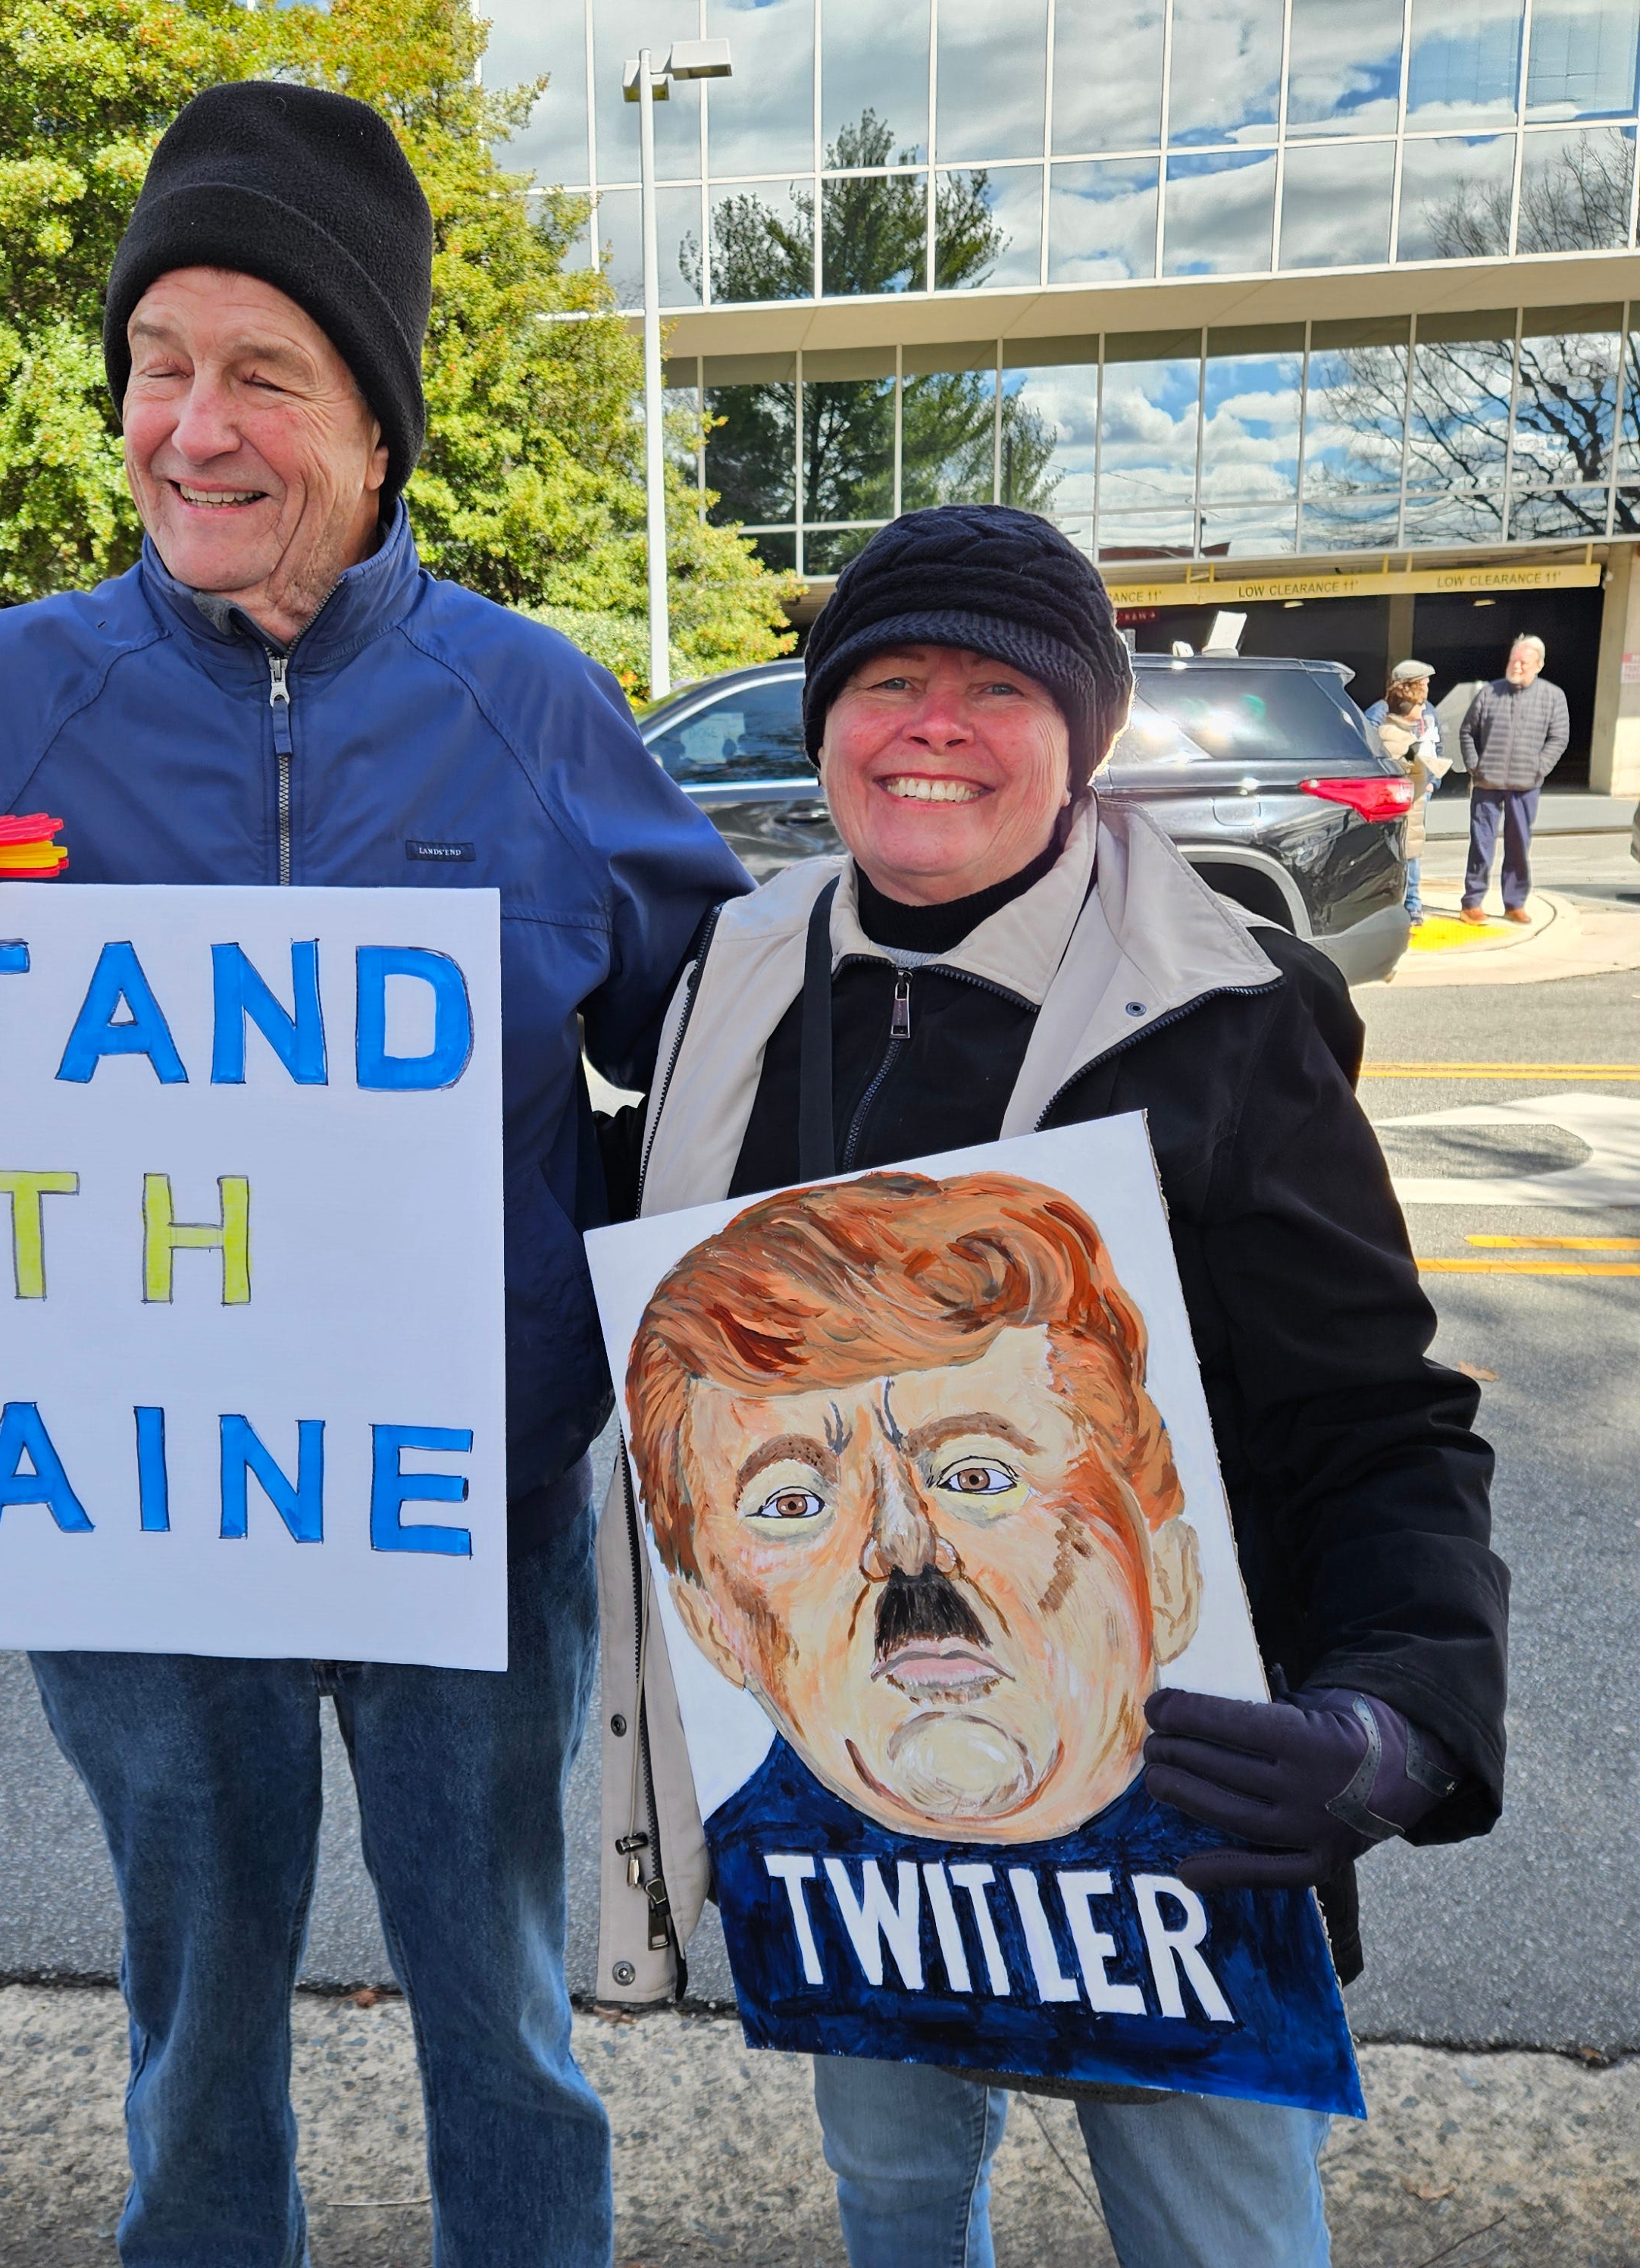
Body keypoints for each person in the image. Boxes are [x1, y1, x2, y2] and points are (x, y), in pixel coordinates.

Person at [0, 79, 747, 2268]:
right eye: (157, 365)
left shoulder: (533, 708)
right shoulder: (10, 693)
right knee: (198, 2016)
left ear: (377, 429)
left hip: (462, 1523)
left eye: (263, 377)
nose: (192, 428)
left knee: (504, 2001)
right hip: (137, 1522)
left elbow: (725, 1060)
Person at [596, 504, 1507, 2268]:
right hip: (851, 1803)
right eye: (890, 678)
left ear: (1082, 737)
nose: (933, 724)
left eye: (998, 685)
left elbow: (1375, 1422)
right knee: (896, 2200)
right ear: (824, 718)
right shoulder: (731, 978)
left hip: (1180, 1817)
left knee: (1218, 2236)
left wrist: (1396, 1718)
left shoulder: (1226, 1015)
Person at [626, 1168, 1203, 1848]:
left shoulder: (1262, 1865)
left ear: (1167, 1577)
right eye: (793, 1502)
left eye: (979, 1478)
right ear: (711, 1623)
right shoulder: (763, 1896)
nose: (903, 1545)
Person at [1459, 634, 1566, 925]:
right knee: (1481, 843)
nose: (1516, 666)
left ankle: (1514, 903)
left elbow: (1559, 738)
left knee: (1519, 845)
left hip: (1525, 785)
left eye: (1524, 662)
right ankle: (1472, 903)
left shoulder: (1553, 696)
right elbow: (1467, 731)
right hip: (1487, 783)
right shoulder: (1490, 693)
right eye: (1513, 660)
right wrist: (1474, 766)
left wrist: (1539, 768)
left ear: (1539, 665)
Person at [1365, 659, 1441, 920]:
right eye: (1424, 683)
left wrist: (1431, 780)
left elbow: (1428, 751)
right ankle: (1407, 907)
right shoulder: (1388, 725)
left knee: (1410, 853)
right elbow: (1404, 762)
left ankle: (1410, 904)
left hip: (1417, 799)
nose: (1424, 710)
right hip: (1402, 805)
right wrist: (1425, 771)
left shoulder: (1418, 721)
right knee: (1404, 855)